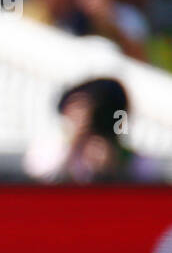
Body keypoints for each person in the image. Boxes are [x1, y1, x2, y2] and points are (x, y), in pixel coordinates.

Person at [23, 77, 160, 184]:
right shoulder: (49, 148)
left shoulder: (134, 160)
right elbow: (39, 177)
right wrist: (75, 144)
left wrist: (113, 167)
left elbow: (146, 184)